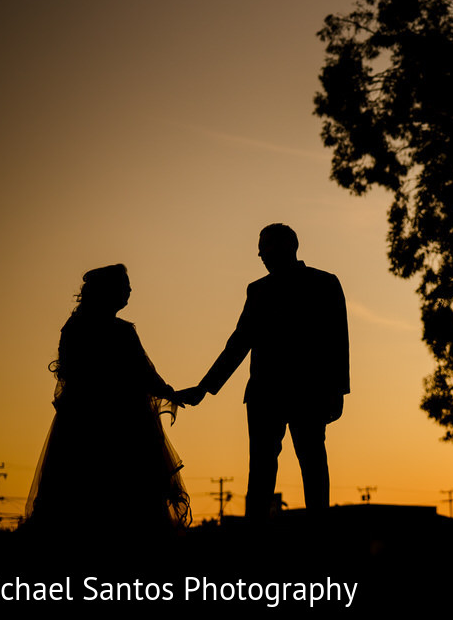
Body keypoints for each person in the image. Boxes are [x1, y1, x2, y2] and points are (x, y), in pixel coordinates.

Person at [178, 224, 349, 522]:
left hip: (309, 394)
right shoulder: (257, 290)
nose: (259, 253)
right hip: (264, 394)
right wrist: (205, 387)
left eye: (265, 246)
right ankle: (254, 540)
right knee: (260, 470)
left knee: (312, 465)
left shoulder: (324, 283)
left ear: (288, 246)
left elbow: (338, 341)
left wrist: (337, 391)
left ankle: (320, 537)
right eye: (260, 247)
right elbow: (240, 341)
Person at [25, 264, 190, 536]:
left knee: (73, 497)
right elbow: (145, 374)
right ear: (108, 290)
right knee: (130, 499)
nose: (129, 291)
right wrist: (171, 392)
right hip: (122, 426)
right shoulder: (121, 331)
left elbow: (70, 373)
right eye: (124, 286)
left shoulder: (74, 327)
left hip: (79, 423)